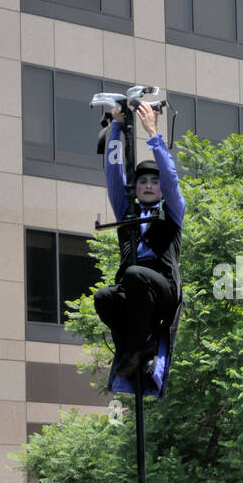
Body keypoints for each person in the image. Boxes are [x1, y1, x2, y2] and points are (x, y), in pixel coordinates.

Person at [95, 100, 185, 393]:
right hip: (134, 288)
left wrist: (152, 134)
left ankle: (145, 346)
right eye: (142, 181)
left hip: (163, 289)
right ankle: (133, 352)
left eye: (153, 181)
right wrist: (118, 125)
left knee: (134, 273)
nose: (147, 185)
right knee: (104, 297)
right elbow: (112, 175)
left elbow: (171, 178)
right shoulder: (127, 211)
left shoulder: (172, 210)